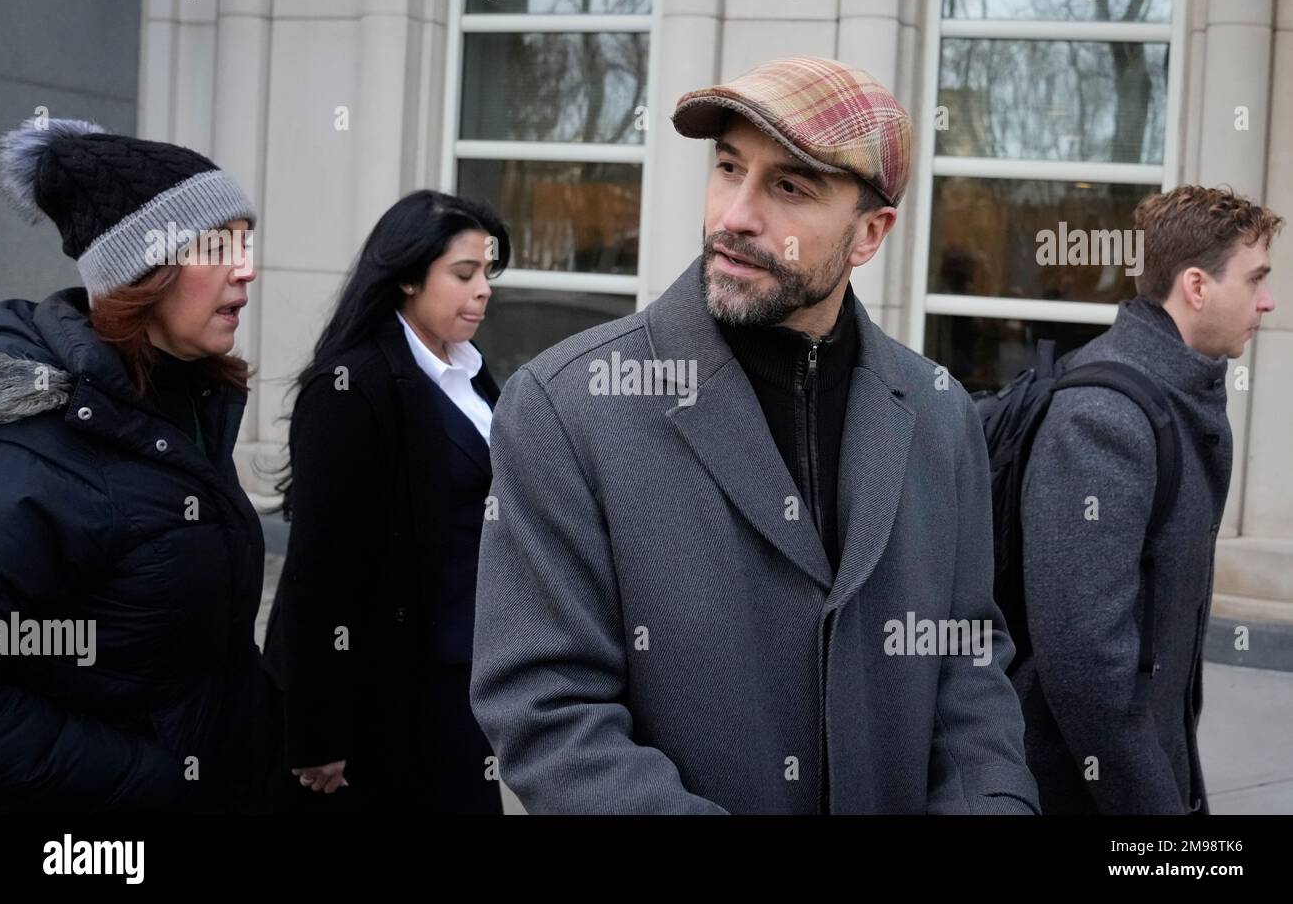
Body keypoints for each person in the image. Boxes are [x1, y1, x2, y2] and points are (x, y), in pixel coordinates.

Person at [470, 56, 1038, 814]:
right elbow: (549, 712)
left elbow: (967, 664)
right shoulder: (566, 408)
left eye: (789, 186)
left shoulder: (941, 413)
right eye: (729, 167)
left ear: (869, 233)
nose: (735, 214)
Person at [0, 117, 275, 812]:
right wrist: (142, 777)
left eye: (246, 242)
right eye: (219, 246)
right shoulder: (35, 449)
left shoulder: (187, 404)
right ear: (141, 273)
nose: (247, 268)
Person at [1014, 185, 1282, 814]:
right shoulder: (1103, 420)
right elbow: (1088, 671)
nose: (1268, 301)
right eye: (1256, 279)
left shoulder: (1178, 392)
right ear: (1196, 287)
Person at [265, 189, 508, 813]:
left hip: (465, 674)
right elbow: (320, 571)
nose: (483, 290)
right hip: (384, 697)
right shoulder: (352, 386)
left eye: (488, 272)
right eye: (464, 274)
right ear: (405, 277)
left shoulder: (471, 371)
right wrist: (316, 732)